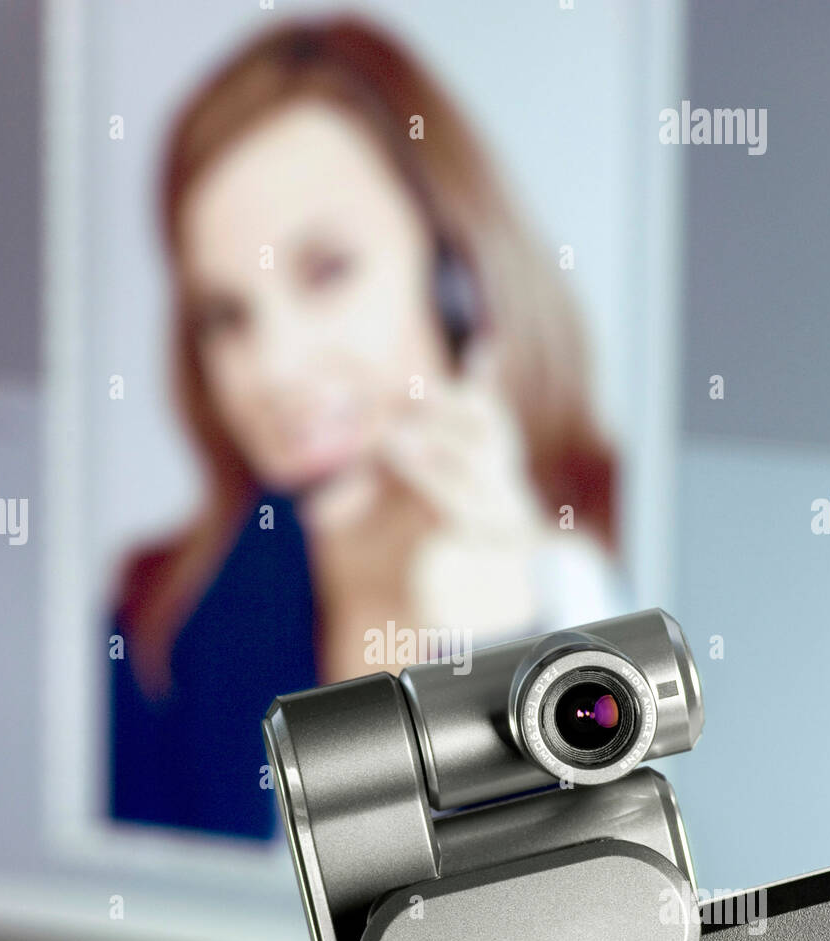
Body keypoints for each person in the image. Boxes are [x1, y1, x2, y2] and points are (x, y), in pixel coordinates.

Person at [109, 15, 626, 840]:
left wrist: (507, 648)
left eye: (326, 272)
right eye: (225, 315)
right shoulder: (157, 625)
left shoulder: (623, 556)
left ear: (456, 269)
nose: (272, 369)